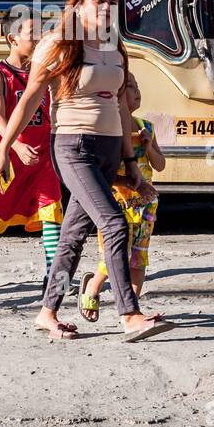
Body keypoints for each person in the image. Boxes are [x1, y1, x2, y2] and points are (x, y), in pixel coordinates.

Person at [0, 0, 175, 342]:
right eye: (99, 0)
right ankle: (129, 314)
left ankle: (47, 311)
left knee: (72, 238)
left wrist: (132, 162)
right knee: (114, 223)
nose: (107, 7)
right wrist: (4, 149)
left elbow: (121, 104)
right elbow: (29, 99)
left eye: (113, 1)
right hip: (74, 147)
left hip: (109, 150)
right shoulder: (59, 43)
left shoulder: (113, 43)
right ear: (79, 4)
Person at [0, 6, 64, 292]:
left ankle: (52, 276)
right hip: (11, 158)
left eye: (42, 32)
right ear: (12, 39)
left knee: (51, 211)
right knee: (0, 218)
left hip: (44, 157)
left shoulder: (44, 71)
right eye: (33, 34)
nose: (40, 38)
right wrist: (15, 145)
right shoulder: (0, 74)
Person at [78, 72, 164, 321]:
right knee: (114, 254)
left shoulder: (145, 127)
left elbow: (160, 165)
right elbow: (101, 171)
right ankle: (92, 288)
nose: (136, 91)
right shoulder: (109, 129)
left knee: (139, 258)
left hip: (146, 208)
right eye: (130, 87)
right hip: (116, 204)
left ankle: (132, 310)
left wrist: (148, 147)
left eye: (138, 86)